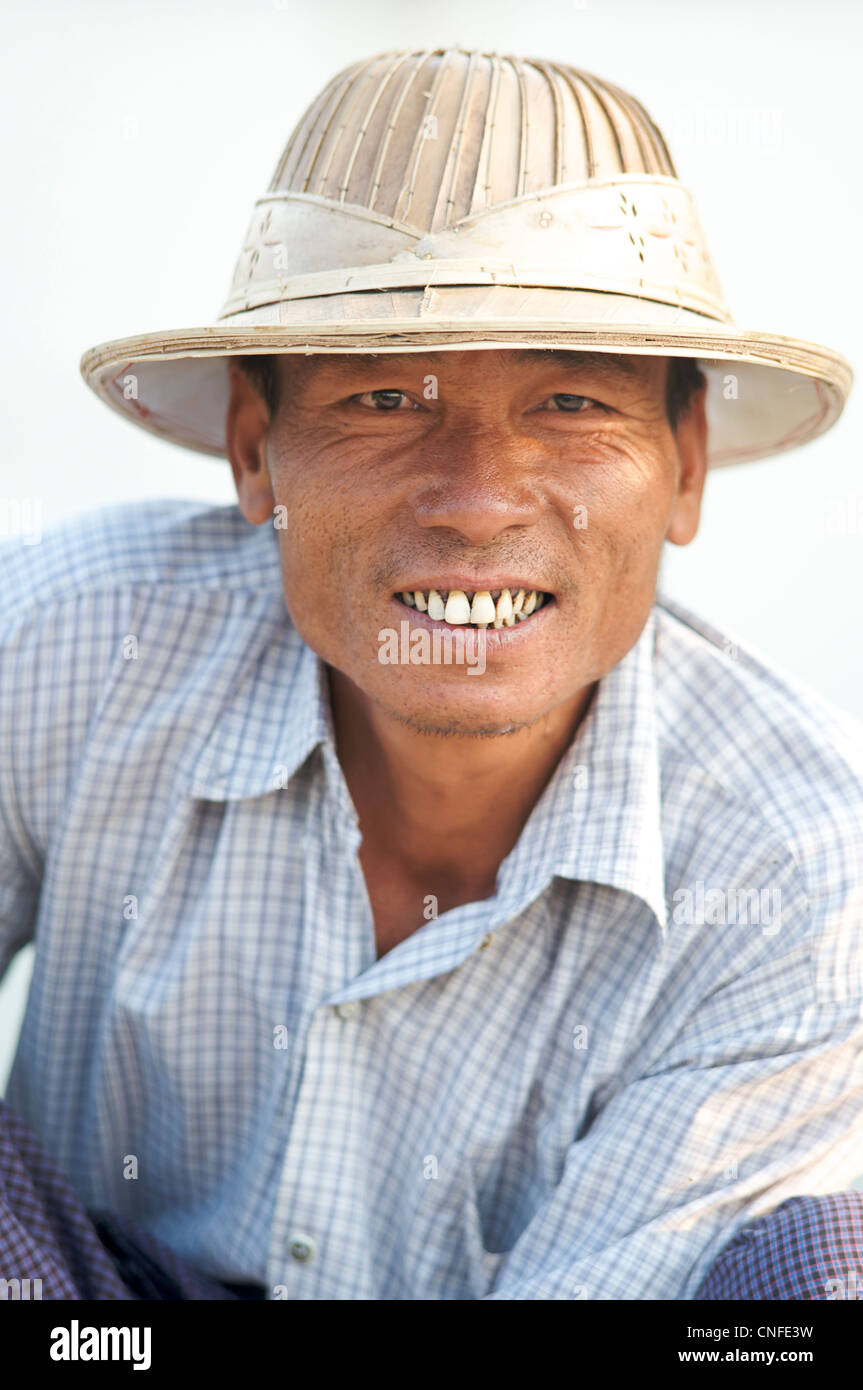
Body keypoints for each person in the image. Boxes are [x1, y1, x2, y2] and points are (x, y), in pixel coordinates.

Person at [1, 47, 861, 1301]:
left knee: (813, 1279)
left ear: (684, 471)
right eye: (384, 397)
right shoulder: (71, 641)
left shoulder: (800, 869)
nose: (476, 501)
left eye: (572, 401)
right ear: (255, 453)